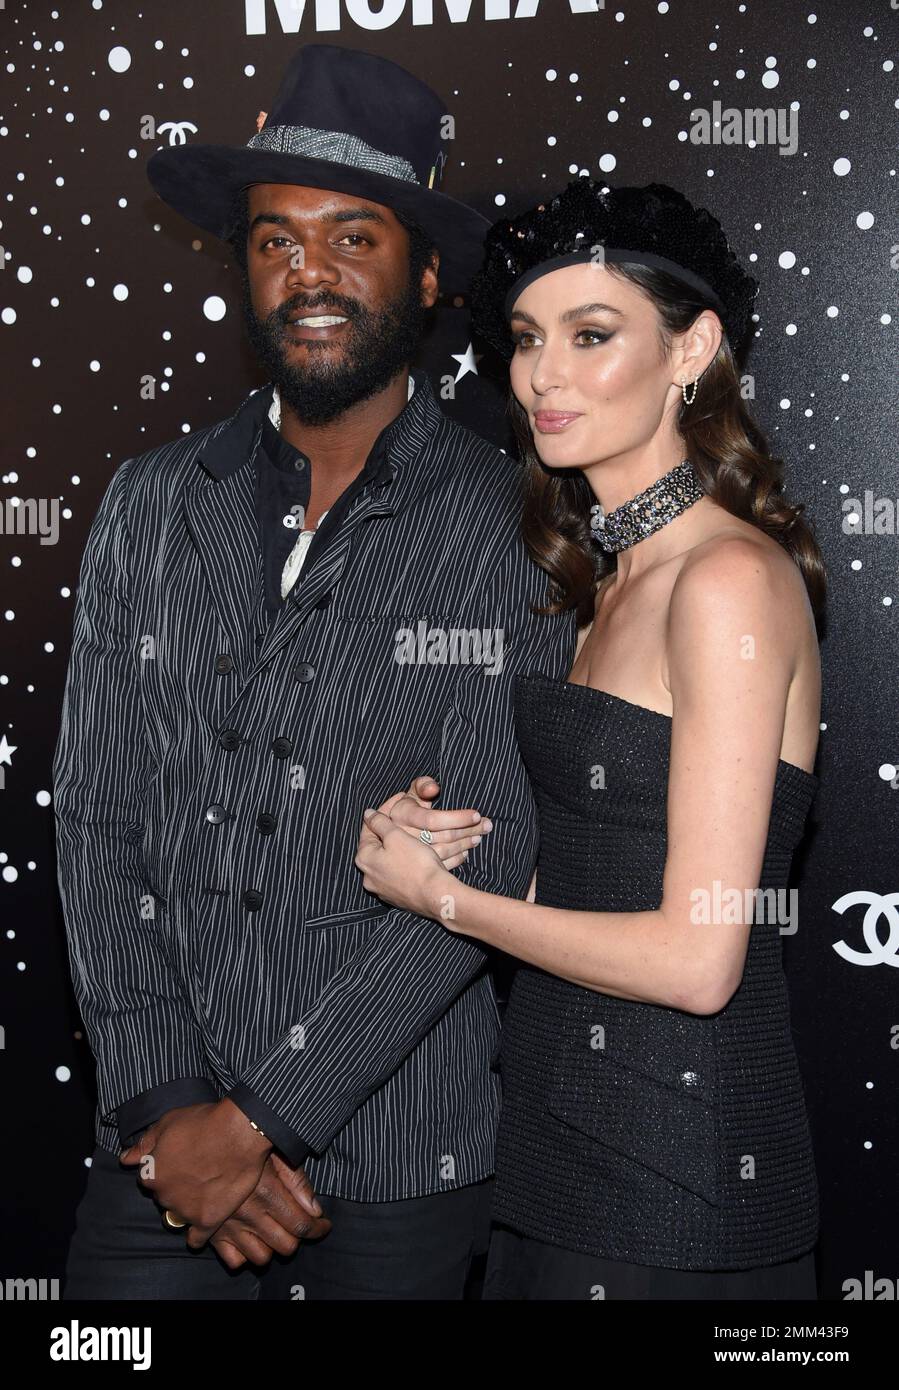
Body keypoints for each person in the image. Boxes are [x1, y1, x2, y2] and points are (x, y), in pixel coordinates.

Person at [53, 43, 576, 1300]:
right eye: (276, 242)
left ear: (428, 272)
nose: (309, 276)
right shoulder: (148, 505)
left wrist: (259, 1123)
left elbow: (489, 854)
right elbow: (96, 817)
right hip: (155, 1152)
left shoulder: (516, 524)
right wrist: (177, 1107)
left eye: (353, 237)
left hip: (403, 1159)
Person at [355, 177, 826, 1300]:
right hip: (555, 1154)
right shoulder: (607, 582)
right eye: (525, 339)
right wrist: (456, 846)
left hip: (673, 1186)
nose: (541, 376)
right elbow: (603, 868)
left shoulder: (723, 580)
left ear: (690, 348)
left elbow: (697, 959)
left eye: (591, 334)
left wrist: (443, 902)